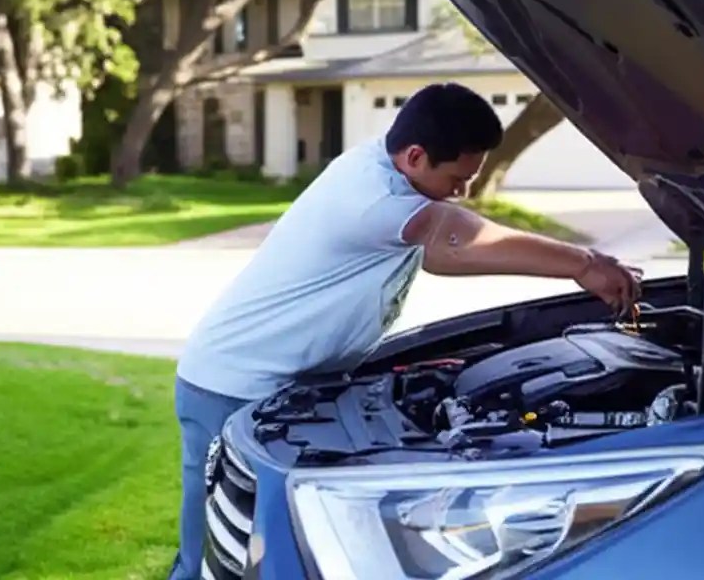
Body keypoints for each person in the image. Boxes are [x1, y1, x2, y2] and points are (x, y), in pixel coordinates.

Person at [167, 82, 642, 579]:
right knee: (214, 561)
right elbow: (453, 241)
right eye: (458, 178)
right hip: (231, 384)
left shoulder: (382, 169)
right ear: (415, 155)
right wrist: (583, 264)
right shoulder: (371, 199)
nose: (465, 191)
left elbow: (449, 222)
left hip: (276, 382)